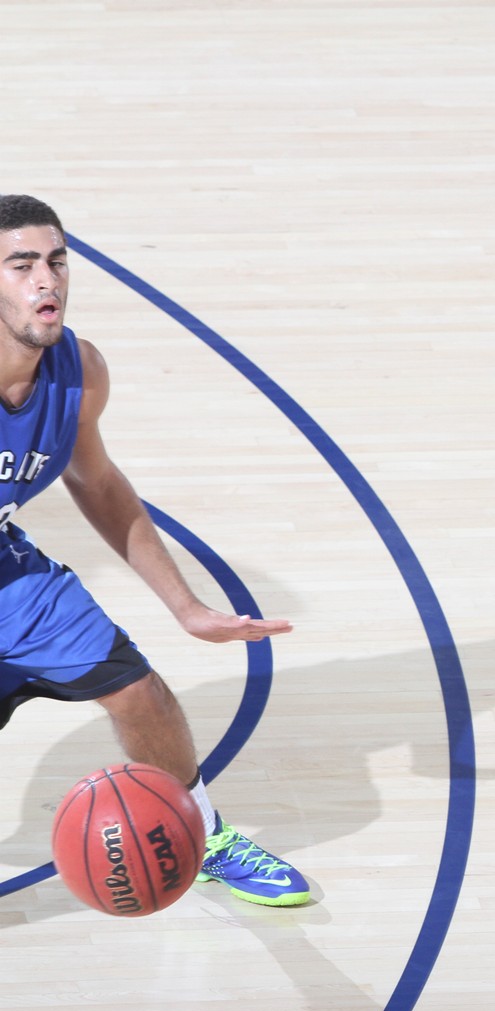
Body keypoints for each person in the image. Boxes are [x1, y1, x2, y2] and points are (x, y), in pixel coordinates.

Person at [0, 194, 309, 907]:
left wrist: (187, 607)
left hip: (12, 581)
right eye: (22, 264)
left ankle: (201, 834)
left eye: (56, 261)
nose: (46, 279)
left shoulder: (78, 372)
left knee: (141, 694)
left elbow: (99, 483)